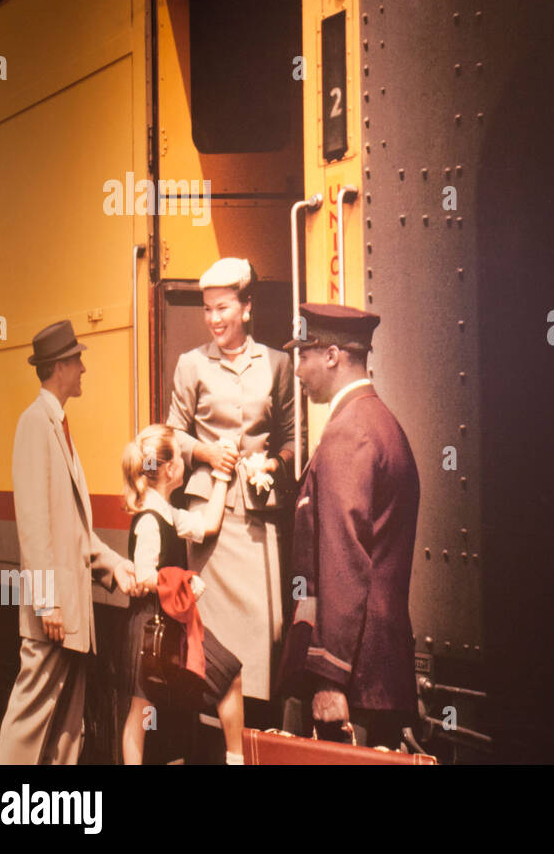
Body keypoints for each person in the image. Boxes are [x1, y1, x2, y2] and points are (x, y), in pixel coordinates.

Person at [0, 320, 141, 765]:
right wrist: (46, 603)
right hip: (54, 614)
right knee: (29, 725)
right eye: (77, 360)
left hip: (72, 614)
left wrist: (114, 564)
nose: (83, 369)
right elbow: (34, 526)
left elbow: (74, 530)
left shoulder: (57, 425)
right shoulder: (34, 425)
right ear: (59, 366)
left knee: (66, 731)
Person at [279, 303, 420, 749]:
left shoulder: (348, 431)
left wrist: (329, 674)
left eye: (303, 356)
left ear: (333, 355)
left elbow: (344, 559)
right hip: (378, 669)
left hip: (353, 677)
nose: (296, 370)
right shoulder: (383, 423)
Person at [166, 257, 295, 703]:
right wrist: (205, 452)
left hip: (259, 514)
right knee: (214, 633)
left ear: (246, 307)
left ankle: (253, 731)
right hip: (210, 521)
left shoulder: (278, 365)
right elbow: (172, 435)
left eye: (223, 308)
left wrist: (273, 464)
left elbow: (294, 438)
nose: (214, 319)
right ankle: (211, 737)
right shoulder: (191, 365)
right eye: (207, 309)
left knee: (265, 626)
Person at [119, 424, 245, 765]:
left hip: (162, 624)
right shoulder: (150, 519)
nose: (185, 464)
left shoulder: (167, 513)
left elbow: (208, 525)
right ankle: (237, 759)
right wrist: (185, 582)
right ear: (171, 469)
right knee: (144, 711)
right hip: (153, 625)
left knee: (151, 711)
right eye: (179, 456)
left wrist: (221, 474)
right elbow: (144, 575)